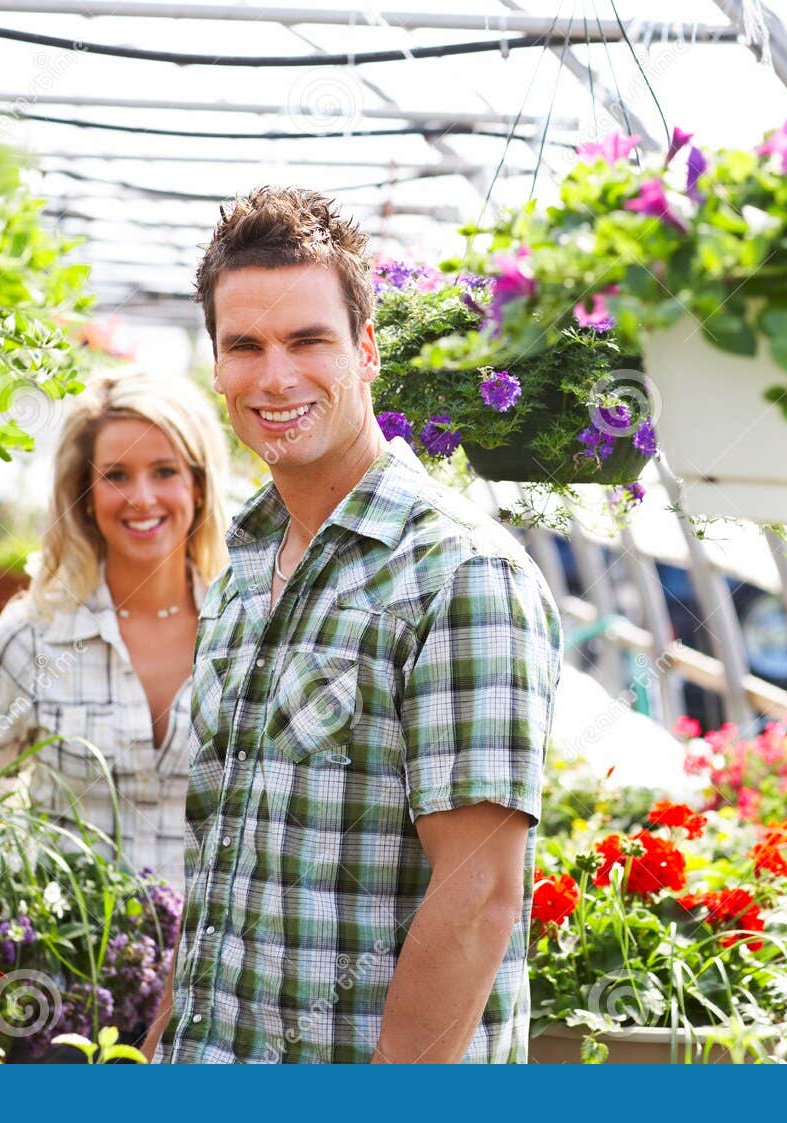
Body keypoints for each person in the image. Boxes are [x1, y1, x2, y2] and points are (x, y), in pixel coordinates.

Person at [145, 187, 562, 1065]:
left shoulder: (458, 575)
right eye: (244, 347)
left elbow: (479, 890)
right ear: (216, 366)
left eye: (308, 341)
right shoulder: (247, 562)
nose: (275, 377)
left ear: (366, 351)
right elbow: (228, 853)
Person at [0, 370, 231, 893]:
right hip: (66, 967)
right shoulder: (32, 638)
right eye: (116, 476)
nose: (141, 498)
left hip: (214, 968)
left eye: (164, 471)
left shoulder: (246, 633)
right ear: (84, 491)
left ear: (198, 484)